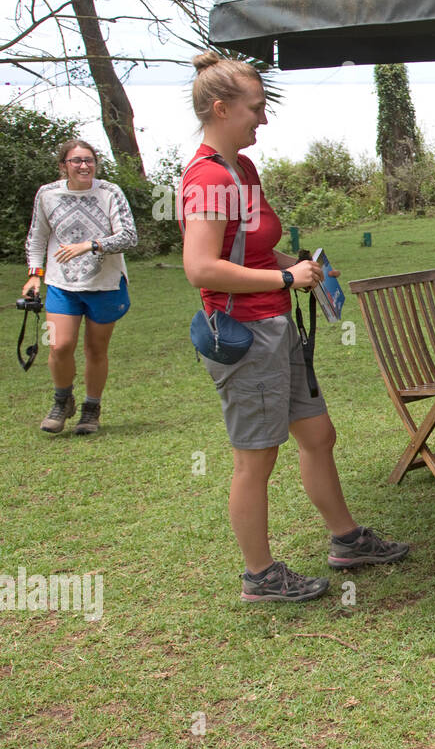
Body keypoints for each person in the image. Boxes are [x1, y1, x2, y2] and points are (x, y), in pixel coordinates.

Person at [180, 52, 407, 604]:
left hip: (276, 325)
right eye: (255, 109)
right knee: (255, 459)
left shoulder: (243, 169)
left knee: (318, 435)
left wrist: (300, 268)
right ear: (219, 108)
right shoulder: (207, 178)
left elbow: (253, 248)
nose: (262, 119)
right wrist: (285, 277)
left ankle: (347, 540)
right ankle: (260, 576)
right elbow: (201, 268)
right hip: (244, 331)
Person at [23, 140, 137, 435]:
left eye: (89, 160)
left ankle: (91, 409)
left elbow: (129, 236)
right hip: (62, 284)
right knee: (59, 345)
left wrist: (91, 245)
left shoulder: (110, 192)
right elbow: (37, 237)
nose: (84, 165)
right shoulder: (47, 194)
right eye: (76, 161)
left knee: (95, 349)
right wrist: (35, 274)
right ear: (64, 166)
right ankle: (62, 401)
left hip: (105, 284)